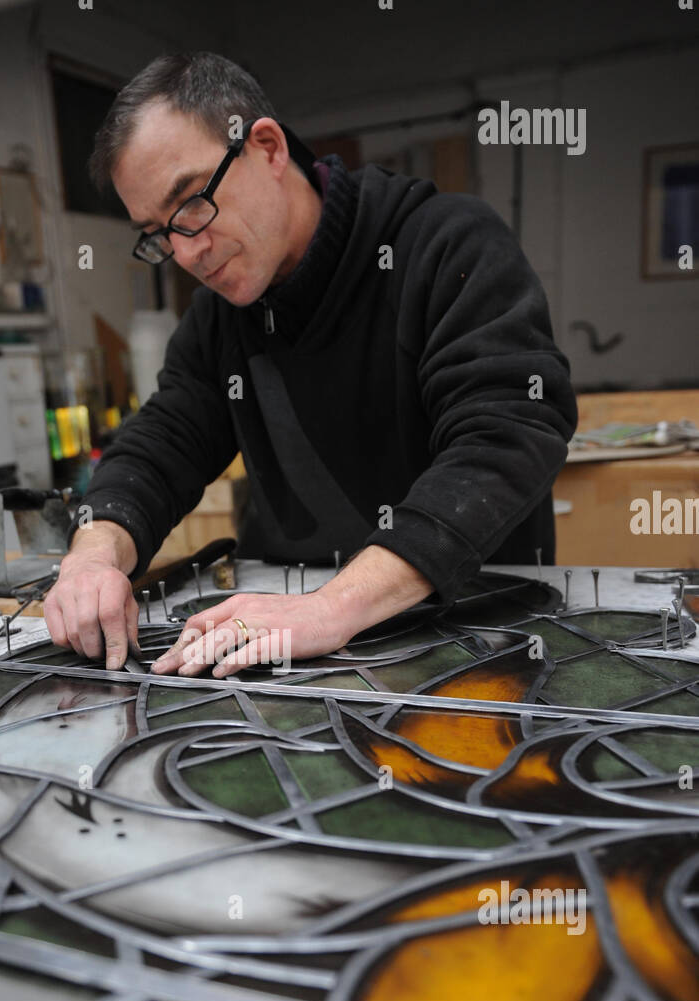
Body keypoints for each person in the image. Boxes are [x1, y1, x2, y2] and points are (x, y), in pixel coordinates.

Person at [44, 51, 577, 678]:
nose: (186, 252)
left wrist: (333, 608)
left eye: (191, 202)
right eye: (159, 232)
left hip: (476, 633)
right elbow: (163, 443)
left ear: (268, 148)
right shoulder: (220, 315)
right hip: (287, 644)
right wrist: (94, 554)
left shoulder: (445, 244)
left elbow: (507, 433)